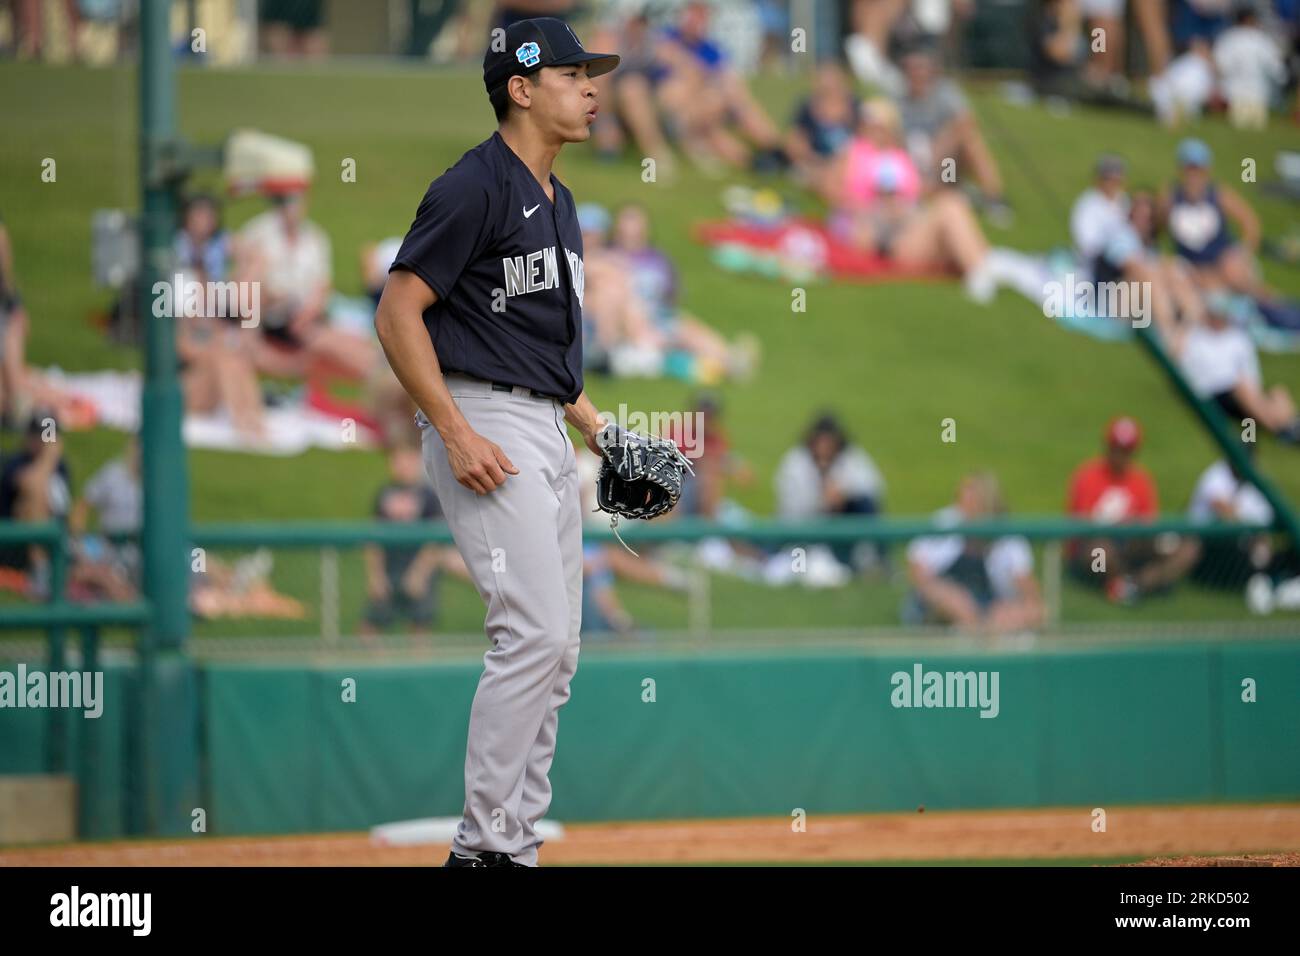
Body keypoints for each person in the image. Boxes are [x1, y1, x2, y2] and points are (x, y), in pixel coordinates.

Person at [374, 17, 620, 869]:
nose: (592, 88)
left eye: (593, 75)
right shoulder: (472, 187)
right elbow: (397, 310)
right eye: (572, 74)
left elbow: (538, 353)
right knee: (534, 634)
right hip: (482, 420)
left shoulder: (563, 203)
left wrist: (602, 430)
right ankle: (481, 849)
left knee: (562, 652)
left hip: (545, 425)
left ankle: (514, 847)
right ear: (520, 87)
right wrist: (453, 427)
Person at [823, 99, 1042, 304]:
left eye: (880, 124)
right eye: (870, 123)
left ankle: (983, 268)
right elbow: (830, 188)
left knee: (952, 204)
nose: (874, 129)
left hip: (907, 225)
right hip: (876, 229)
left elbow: (920, 192)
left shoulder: (901, 156)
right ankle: (986, 268)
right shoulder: (852, 152)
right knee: (951, 209)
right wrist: (865, 207)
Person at [1066, 416, 1199, 603]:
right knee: (1099, 552)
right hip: (1097, 552)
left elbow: (1149, 524)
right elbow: (1081, 526)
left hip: (1132, 546)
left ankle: (1136, 585)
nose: (1121, 455)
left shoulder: (1141, 480)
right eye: (1117, 448)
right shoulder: (1088, 476)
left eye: (1127, 451)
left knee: (1186, 548)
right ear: (1108, 447)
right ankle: (1118, 582)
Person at [905, 473, 1044, 633]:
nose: (964, 509)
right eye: (963, 501)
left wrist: (1014, 611)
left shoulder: (1007, 535)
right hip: (942, 603)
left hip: (990, 607)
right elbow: (918, 573)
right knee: (952, 599)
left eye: (973, 503)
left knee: (1024, 613)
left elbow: (1029, 590)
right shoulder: (945, 522)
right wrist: (951, 597)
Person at [895, 41, 1010, 223]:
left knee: (969, 139)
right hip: (916, 167)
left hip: (946, 164)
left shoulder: (944, 92)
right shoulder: (899, 101)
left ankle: (993, 198)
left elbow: (966, 121)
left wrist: (940, 147)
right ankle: (953, 192)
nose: (918, 73)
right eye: (913, 68)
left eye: (922, 68)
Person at [361, 441, 462, 639]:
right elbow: (373, 539)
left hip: (418, 569)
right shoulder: (384, 494)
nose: (402, 465)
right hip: (391, 567)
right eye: (396, 460)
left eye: (407, 460)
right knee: (370, 626)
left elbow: (434, 540)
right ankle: (379, 667)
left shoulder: (428, 495)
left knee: (418, 627)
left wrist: (419, 573)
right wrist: (376, 576)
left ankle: (419, 668)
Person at [1171, 293, 1300, 443]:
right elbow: (1178, 360)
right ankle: (1280, 430)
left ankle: (1290, 425)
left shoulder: (1238, 337)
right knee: (1244, 391)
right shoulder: (1196, 336)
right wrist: (1187, 324)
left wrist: (1254, 390)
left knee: (1278, 392)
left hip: (1242, 388)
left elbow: (1250, 369)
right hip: (1214, 391)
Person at [785, 61, 860, 191]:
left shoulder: (855, 107)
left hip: (849, 162)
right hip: (817, 162)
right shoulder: (807, 108)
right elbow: (795, 141)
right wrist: (812, 158)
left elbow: (865, 139)